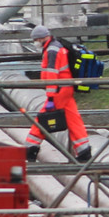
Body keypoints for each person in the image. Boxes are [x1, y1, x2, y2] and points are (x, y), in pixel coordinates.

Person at [24, 25, 92, 164]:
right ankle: (84, 151)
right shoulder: (56, 46)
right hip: (65, 88)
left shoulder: (52, 50)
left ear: (42, 38)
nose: (35, 43)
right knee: (74, 119)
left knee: (43, 118)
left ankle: (30, 148)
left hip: (58, 90)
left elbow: (51, 75)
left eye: (35, 40)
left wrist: (50, 97)